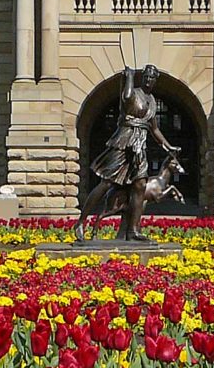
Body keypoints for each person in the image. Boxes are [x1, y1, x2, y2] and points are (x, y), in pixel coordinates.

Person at [74, 64, 179, 242]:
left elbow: (154, 129)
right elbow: (127, 96)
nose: (148, 80)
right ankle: (81, 221)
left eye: (152, 78)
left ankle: (133, 230)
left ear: (155, 81)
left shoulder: (152, 101)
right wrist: (129, 78)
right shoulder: (133, 92)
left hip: (139, 146)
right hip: (123, 142)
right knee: (106, 183)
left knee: (140, 186)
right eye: (145, 77)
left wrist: (168, 146)